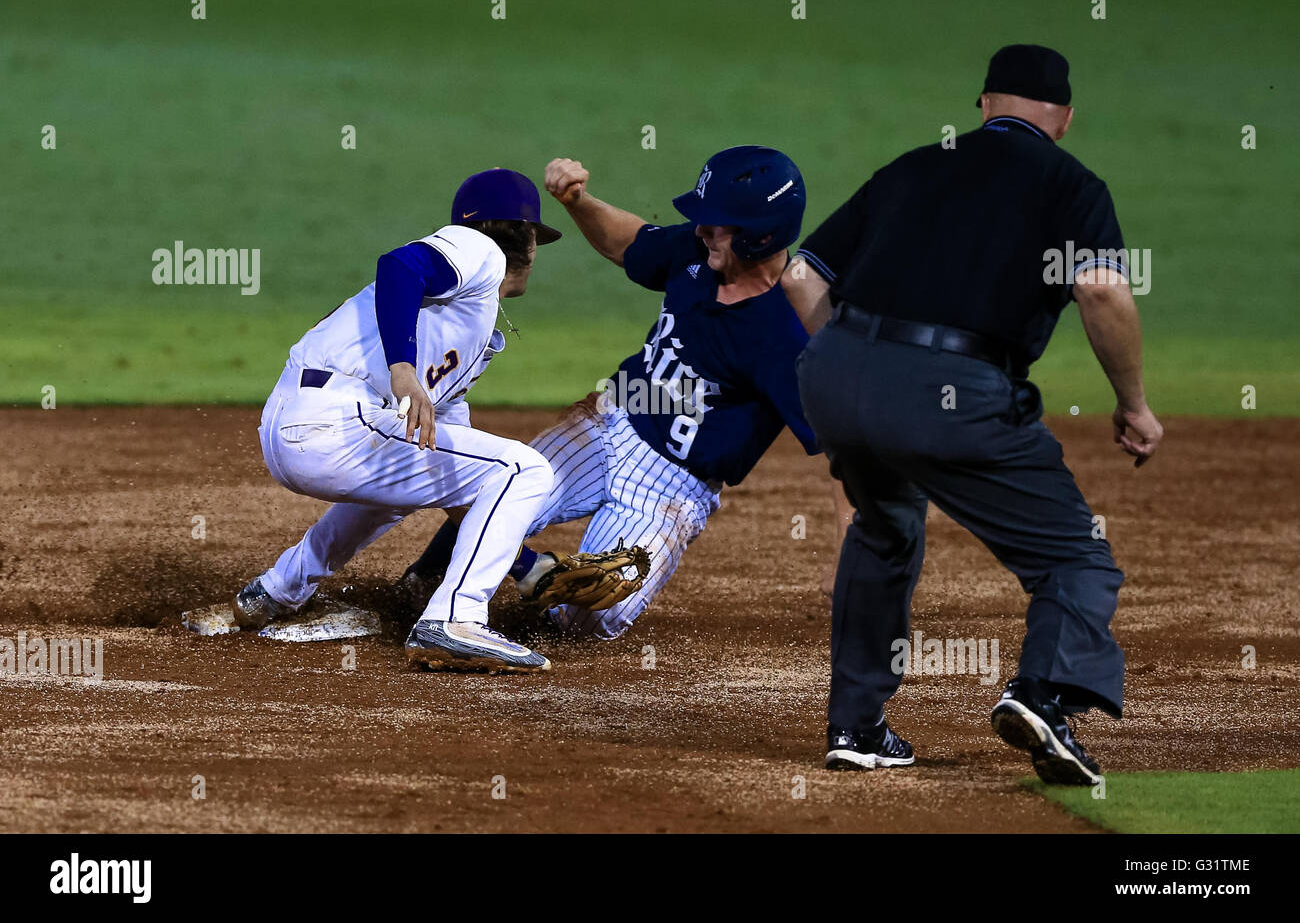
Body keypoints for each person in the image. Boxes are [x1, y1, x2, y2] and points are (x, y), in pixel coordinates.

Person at [784, 45, 1163, 783]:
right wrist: (1133, 405)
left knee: (884, 528)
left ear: (984, 104)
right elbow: (1104, 293)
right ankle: (1041, 696)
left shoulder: (914, 165)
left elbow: (802, 275)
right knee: (1074, 557)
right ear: (1065, 119)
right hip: (951, 392)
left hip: (834, 374)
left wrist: (858, 368)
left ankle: (856, 729)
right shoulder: (1072, 184)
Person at [403, 146, 851, 639]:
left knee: (591, 617)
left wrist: (852, 556)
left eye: (717, 223)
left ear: (760, 233)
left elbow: (848, 449)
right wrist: (578, 201)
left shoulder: (791, 336)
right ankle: (421, 584)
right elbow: (629, 244)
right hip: (606, 422)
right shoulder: (698, 251)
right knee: (496, 492)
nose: (701, 229)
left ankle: (522, 601)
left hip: (671, 486)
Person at [231, 168, 579, 673]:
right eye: (536, 237)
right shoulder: (478, 249)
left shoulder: (471, 335)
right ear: (521, 235)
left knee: (420, 476)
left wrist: (528, 568)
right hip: (335, 418)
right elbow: (399, 266)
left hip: (305, 427)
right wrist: (403, 370)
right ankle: (455, 618)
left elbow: (456, 483)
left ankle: (275, 591)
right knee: (528, 469)